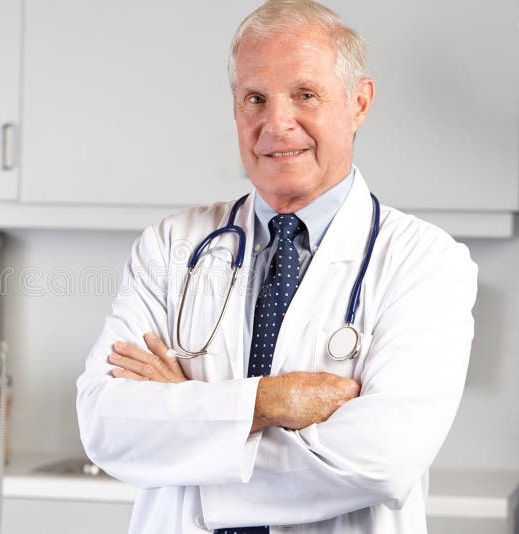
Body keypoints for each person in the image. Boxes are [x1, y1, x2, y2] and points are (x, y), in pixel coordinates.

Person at [75, 0, 478, 532]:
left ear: (359, 104)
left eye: (305, 95)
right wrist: (271, 400)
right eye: (255, 99)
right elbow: (107, 426)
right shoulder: (172, 245)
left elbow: (383, 458)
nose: (276, 123)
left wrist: (186, 427)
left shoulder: (427, 262)